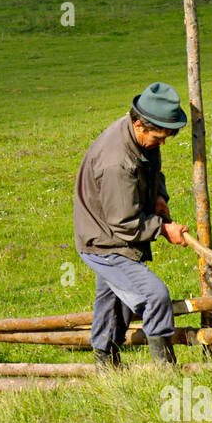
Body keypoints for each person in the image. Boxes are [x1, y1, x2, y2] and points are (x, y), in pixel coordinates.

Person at [74, 83, 190, 370]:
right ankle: (165, 370)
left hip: (114, 233)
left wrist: (159, 196)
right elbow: (125, 224)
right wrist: (163, 230)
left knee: (114, 300)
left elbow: (153, 171)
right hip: (104, 241)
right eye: (158, 137)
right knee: (155, 295)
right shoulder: (117, 162)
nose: (161, 144)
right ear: (139, 124)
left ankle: (105, 363)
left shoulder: (141, 139)